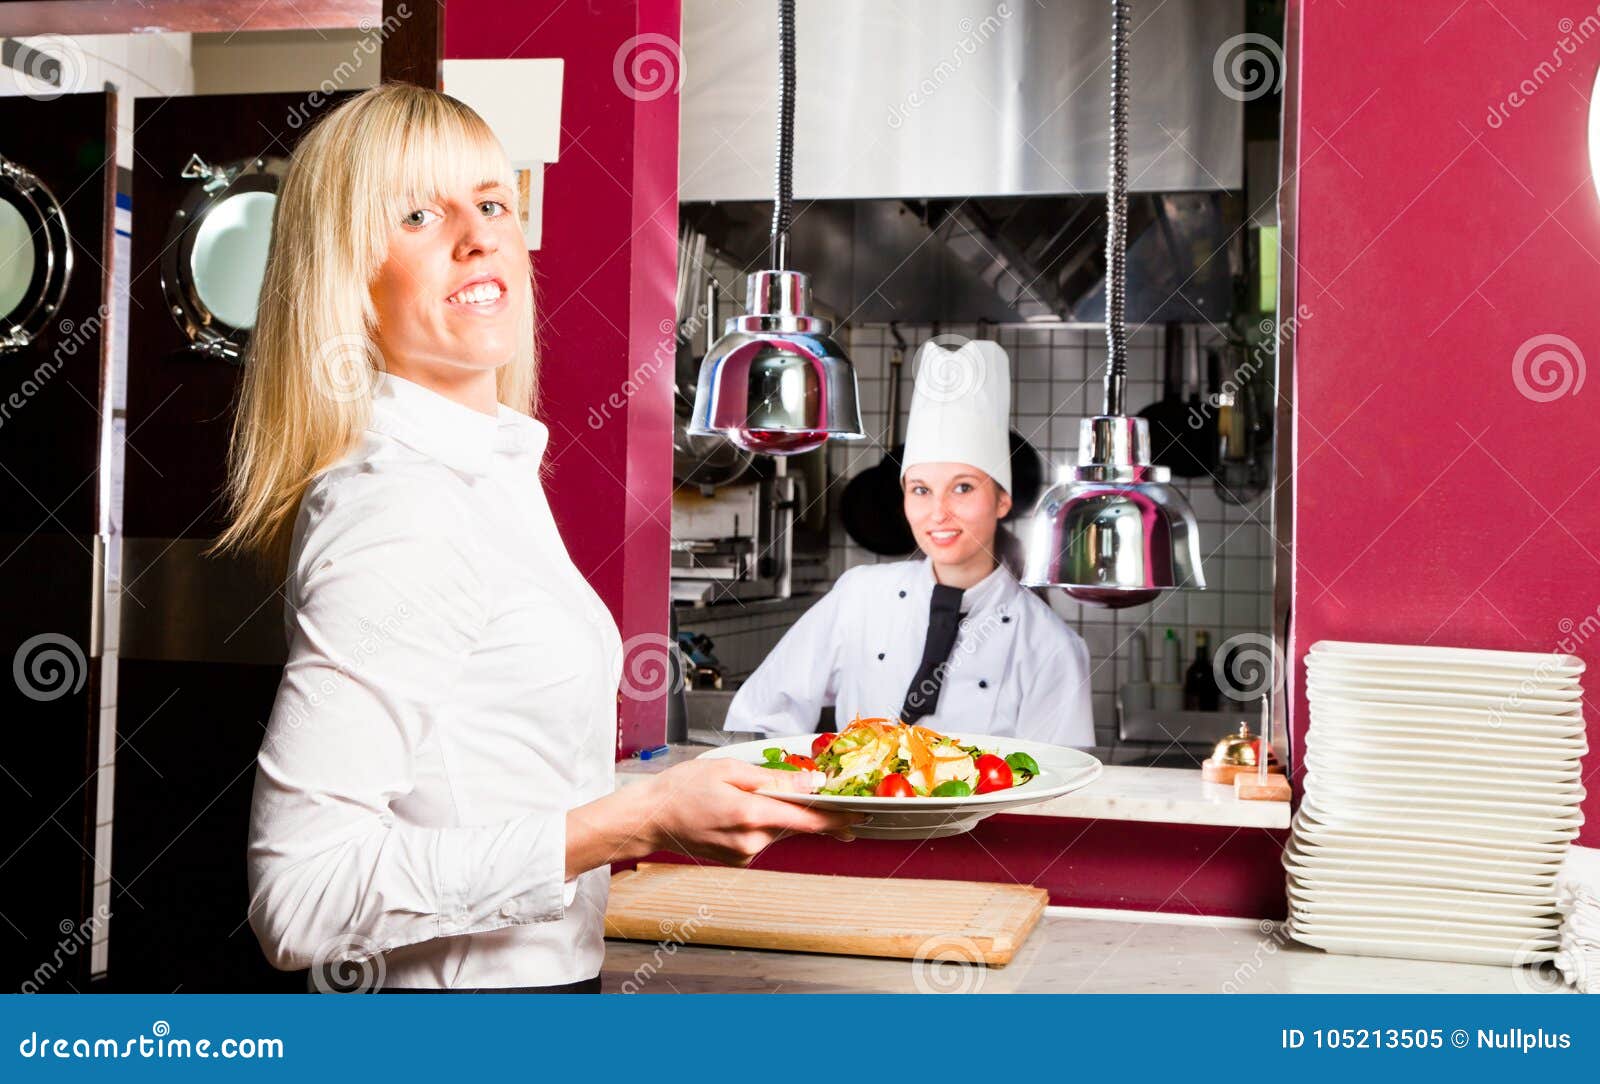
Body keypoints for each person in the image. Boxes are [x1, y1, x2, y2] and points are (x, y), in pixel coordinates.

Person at [212, 84, 857, 994]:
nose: (477, 236)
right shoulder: (398, 508)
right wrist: (638, 821)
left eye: (491, 202)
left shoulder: (492, 473)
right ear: (347, 282)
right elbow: (300, 898)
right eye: (416, 214)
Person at [725, 339, 1094, 747]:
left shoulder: (1051, 647)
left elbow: (1059, 786)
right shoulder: (860, 596)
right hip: (853, 812)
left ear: (1002, 500)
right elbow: (761, 715)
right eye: (920, 490)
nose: (939, 513)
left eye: (963, 488)